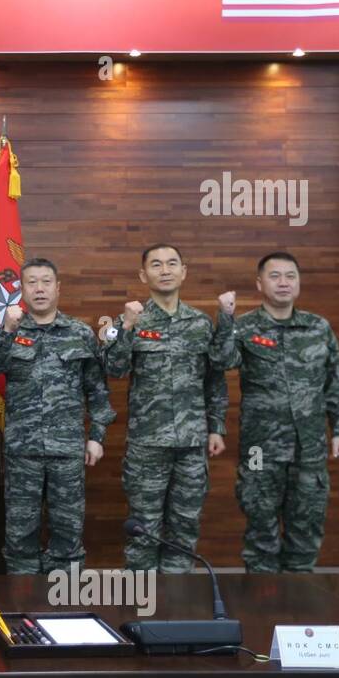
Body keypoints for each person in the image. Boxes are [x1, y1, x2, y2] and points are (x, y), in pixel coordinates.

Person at [102, 244, 234, 573]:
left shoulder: (201, 323)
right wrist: (128, 327)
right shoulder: (128, 320)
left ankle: (176, 609)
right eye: (156, 265)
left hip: (191, 444)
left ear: (184, 272)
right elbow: (113, 368)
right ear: (142, 274)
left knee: (184, 529)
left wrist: (216, 427)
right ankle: (140, 613)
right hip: (147, 445)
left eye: (172, 264)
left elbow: (215, 378)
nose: (165, 270)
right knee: (144, 531)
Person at [0, 257, 115, 573]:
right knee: (20, 535)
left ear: (57, 287)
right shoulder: (10, 331)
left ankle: (63, 607)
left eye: (46, 281)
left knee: (67, 535)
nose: (39, 288)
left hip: (67, 452)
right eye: (31, 282)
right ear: (22, 290)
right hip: (23, 452)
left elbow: (97, 390)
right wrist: (6, 330)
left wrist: (97, 437)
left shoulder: (79, 333)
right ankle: (22, 603)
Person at [221, 251, 339, 572]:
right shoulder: (245, 328)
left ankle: (298, 612)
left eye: (290, 276)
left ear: (299, 283)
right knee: (261, 536)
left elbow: (336, 382)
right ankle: (262, 614)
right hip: (259, 451)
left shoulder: (318, 328)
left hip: (310, 450)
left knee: (305, 536)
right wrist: (224, 320)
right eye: (275, 276)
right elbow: (221, 363)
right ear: (259, 283)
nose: (283, 283)